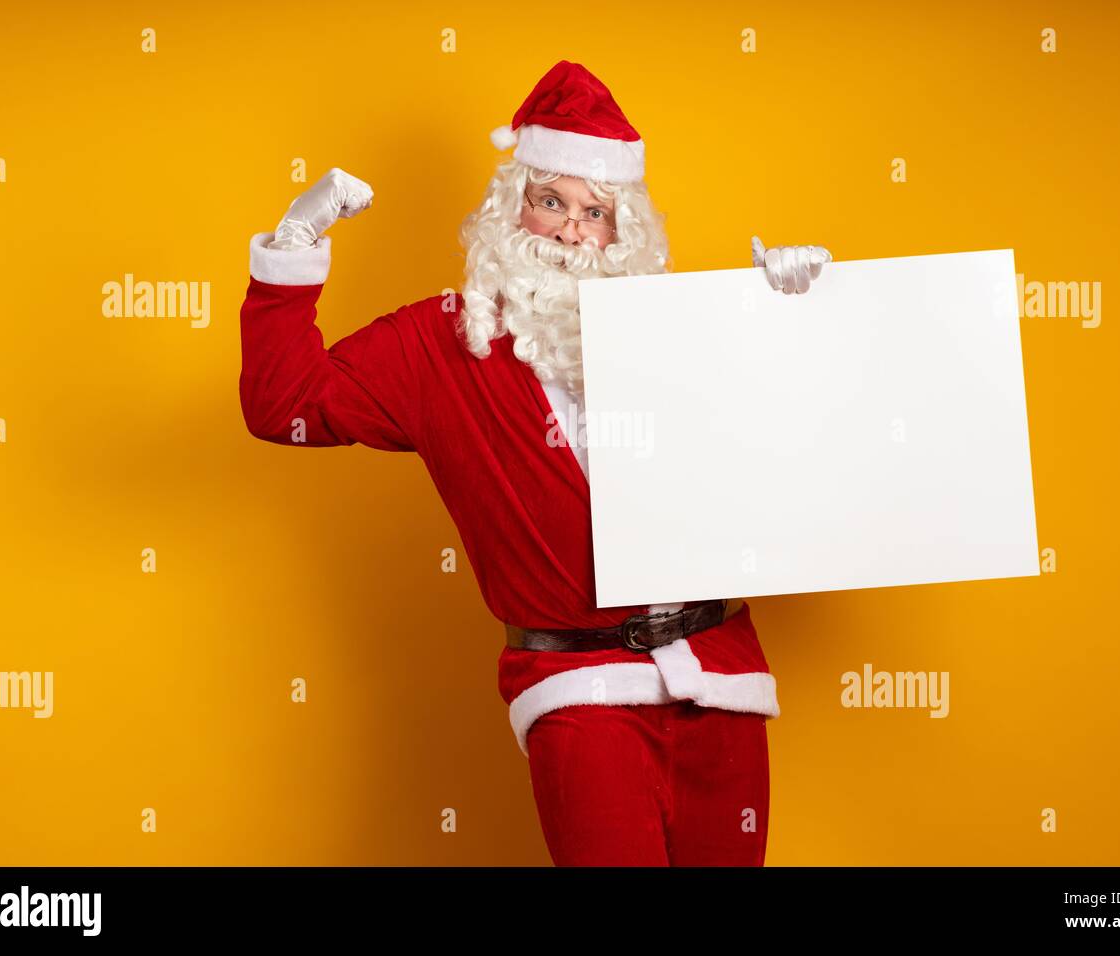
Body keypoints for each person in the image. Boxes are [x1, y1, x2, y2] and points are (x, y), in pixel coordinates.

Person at [238, 60, 832, 866]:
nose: (571, 232)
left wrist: (797, 317)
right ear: (509, 207)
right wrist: (292, 249)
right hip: (578, 694)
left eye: (597, 212)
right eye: (550, 200)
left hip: (720, 676)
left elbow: (800, 446)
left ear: (624, 233)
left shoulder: (683, 331)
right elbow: (285, 405)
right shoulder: (438, 344)